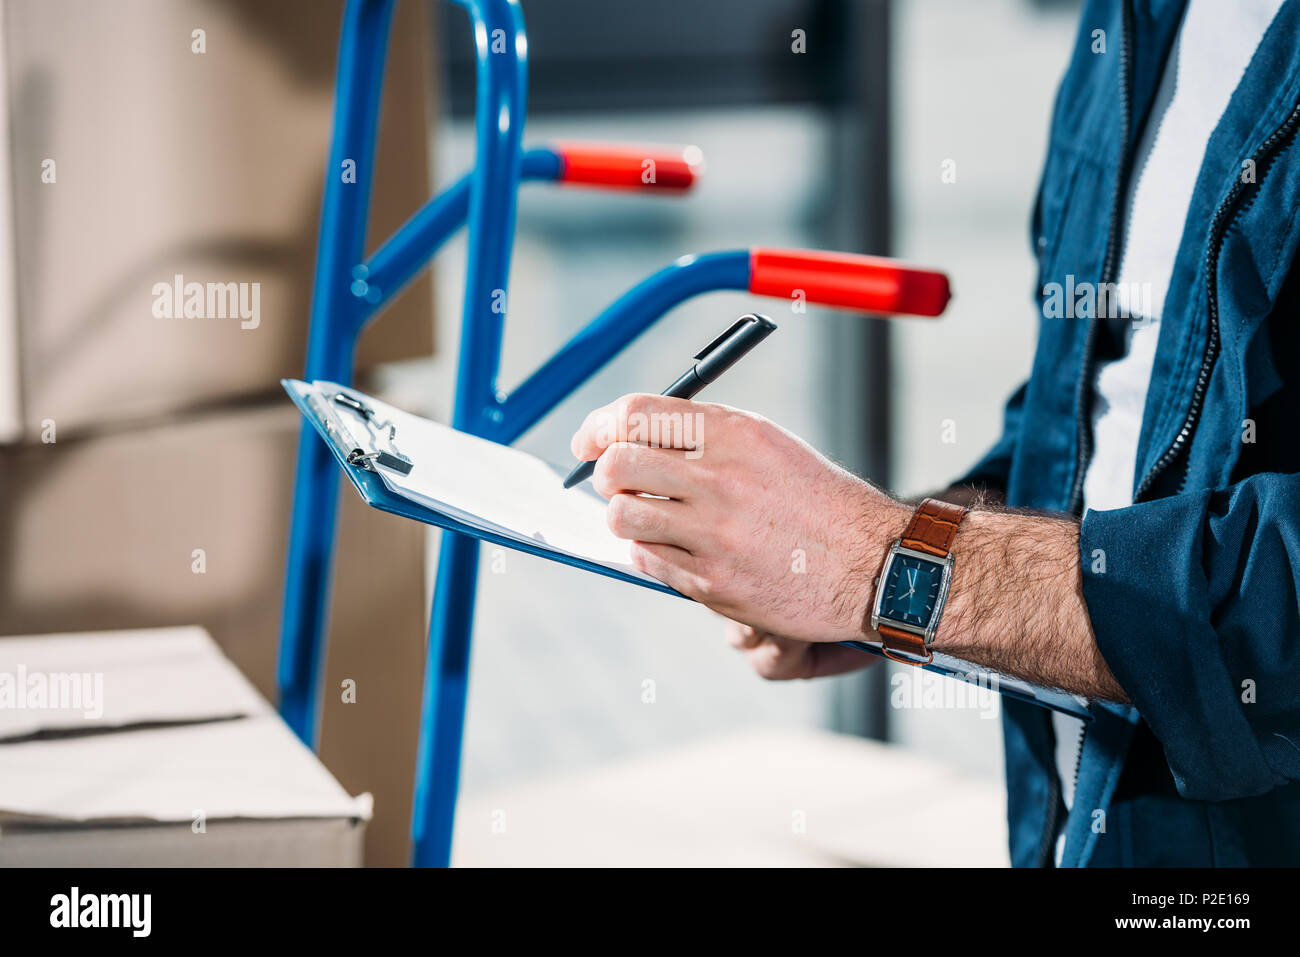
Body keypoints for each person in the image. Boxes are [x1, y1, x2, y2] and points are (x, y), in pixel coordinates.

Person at [568, 0, 1300, 867]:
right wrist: (856, 554)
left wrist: (879, 561)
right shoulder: (1131, 24)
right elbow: (1082, 423)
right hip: (1072, 822)